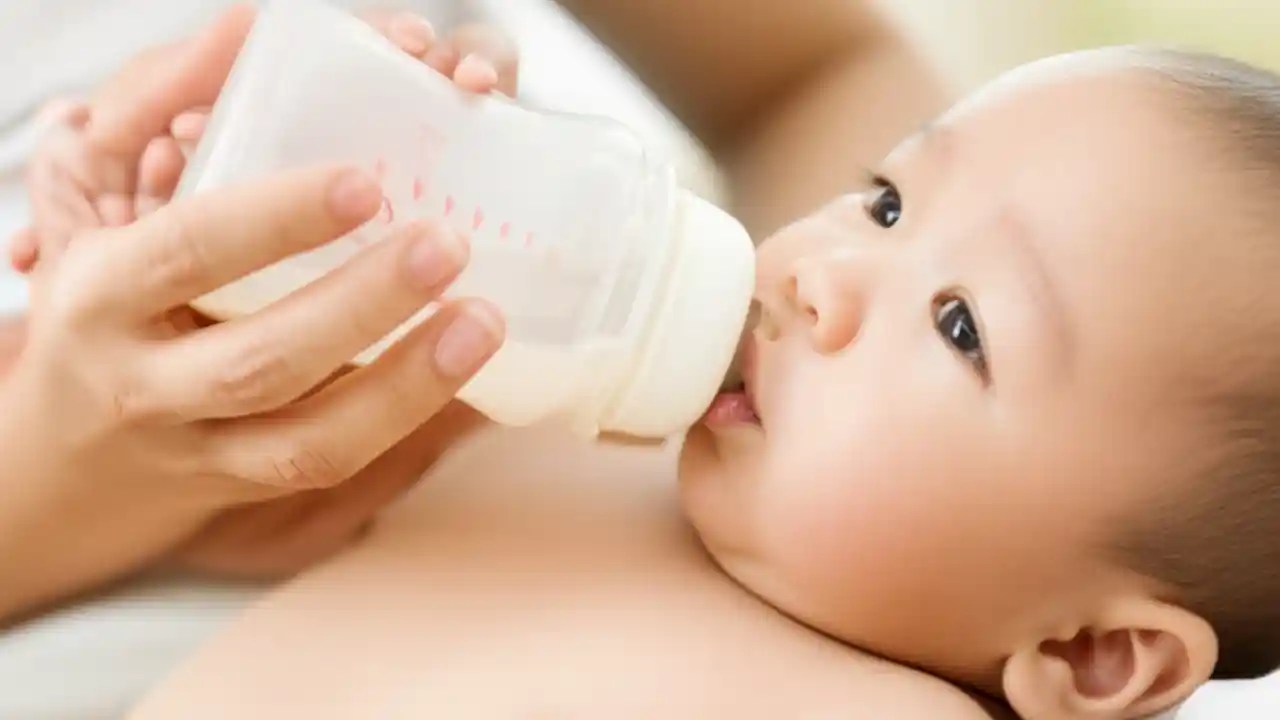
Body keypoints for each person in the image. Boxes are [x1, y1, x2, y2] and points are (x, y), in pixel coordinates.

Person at [29, 14, 1280, 719]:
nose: (814, 269)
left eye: (959, 327)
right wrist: (193, 267)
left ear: (1089, 659)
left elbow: (814, 65)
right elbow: (219, 488)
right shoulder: (570, 429)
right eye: (885, 203)